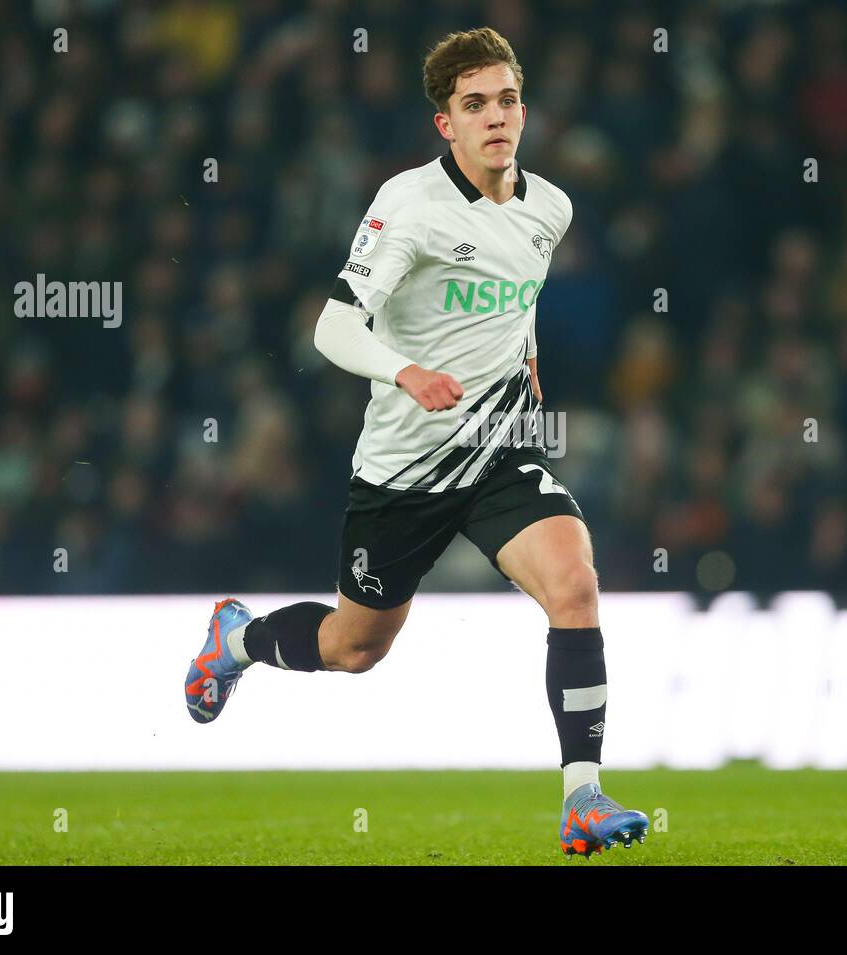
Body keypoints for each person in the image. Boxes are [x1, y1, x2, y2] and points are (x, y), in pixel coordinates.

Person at [184, 26, 647, 858]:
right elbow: (332, 327)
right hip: (404, 470)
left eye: (507, 100)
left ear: (524, 110)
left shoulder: (551, 207)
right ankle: (239, 640)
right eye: (475, 105)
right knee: (355, 647)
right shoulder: (410, 206)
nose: (495, 117)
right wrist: (404, 372)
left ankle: (582, 798)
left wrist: (527, 354)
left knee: (575, 584)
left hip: (499, 453)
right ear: (446, 124)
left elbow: (514, 294)